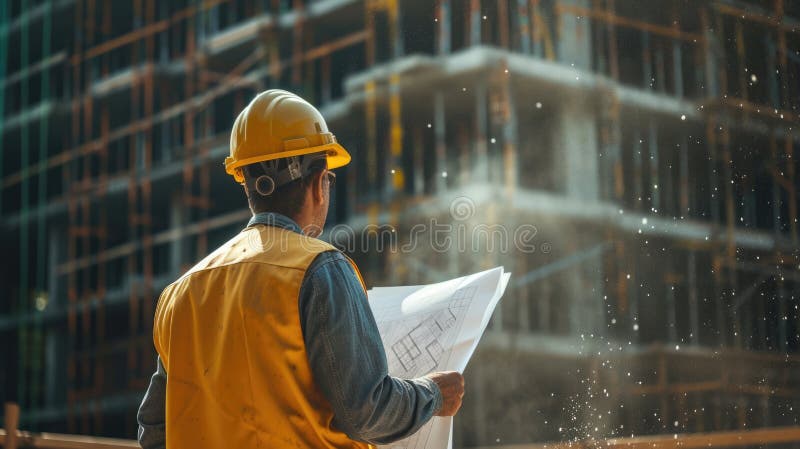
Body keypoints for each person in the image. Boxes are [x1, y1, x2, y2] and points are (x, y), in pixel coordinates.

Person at [136, 89, 464, 448]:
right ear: (319, 182)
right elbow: (367, 412)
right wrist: (432, 393)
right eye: (329, 179)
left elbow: (154, 433)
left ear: (245, 183)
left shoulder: (181, 292)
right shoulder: (320, 269)